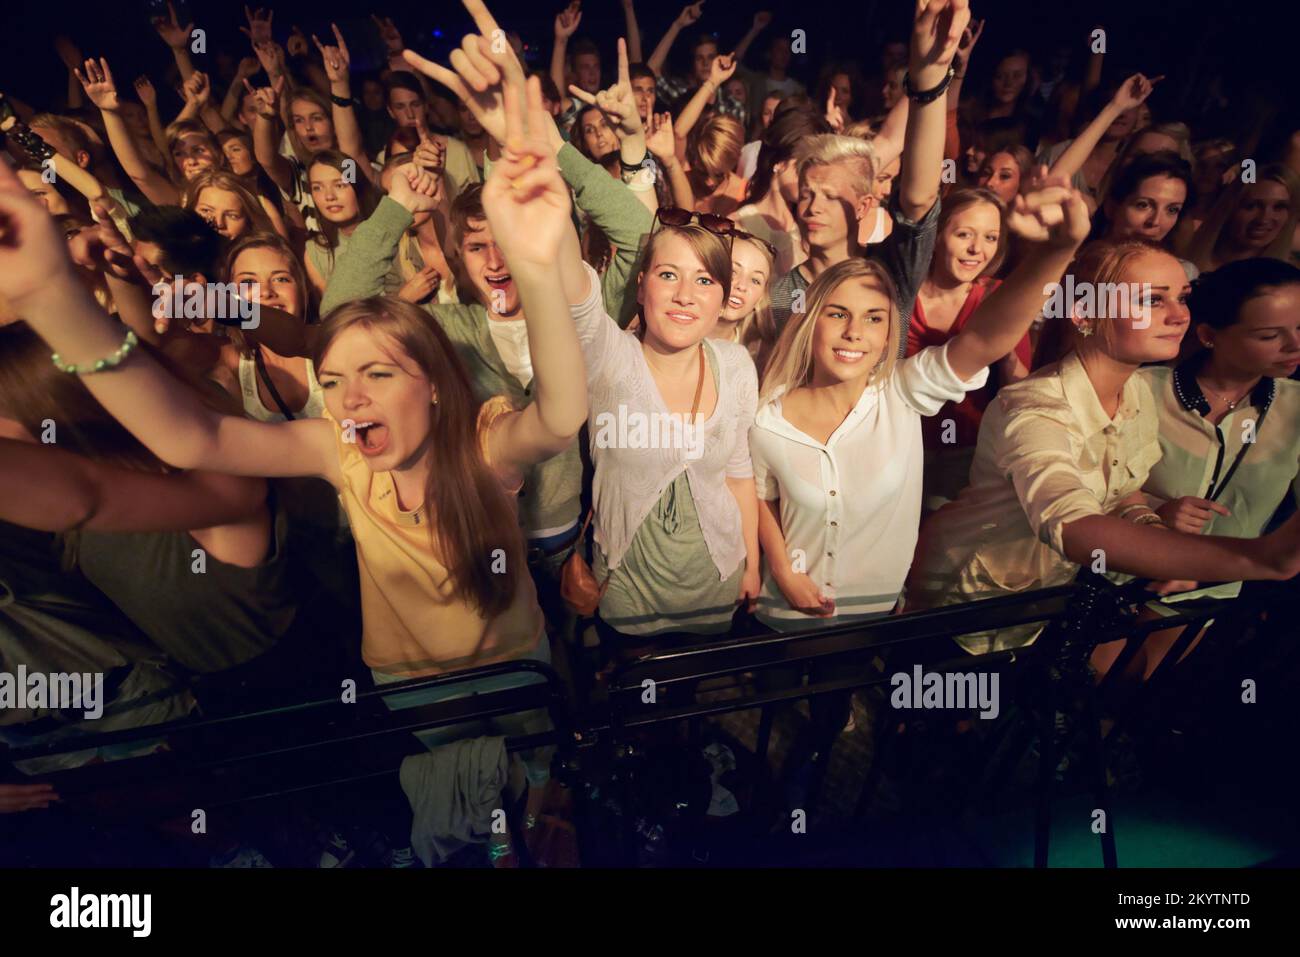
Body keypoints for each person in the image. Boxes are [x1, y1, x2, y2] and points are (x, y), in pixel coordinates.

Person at [0, 59, 588, 866]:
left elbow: (559, 413)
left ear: (436, 383)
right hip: (417, 691)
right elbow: (192, 442)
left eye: (377, 374)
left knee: (544, 801)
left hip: (519, 667)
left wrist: (536, 256)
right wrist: (51, 299)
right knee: (467, 820)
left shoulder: (481, 438)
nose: (348, 399)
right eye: (337, 381)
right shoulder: (335, 450)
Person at [906, 239, 1300, 654]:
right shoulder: (1035, 407)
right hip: (963, 604)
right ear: (1085, 313)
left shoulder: (1137, 391)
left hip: (1038, 601)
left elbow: (1121, 488)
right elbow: (1071, 525)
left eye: (1182, 297)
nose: (1179, 315)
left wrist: (1154, 535)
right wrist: (1258, 558)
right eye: (1151, 300)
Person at [752, 178, 1085, 633]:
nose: (855, 332)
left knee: (838, 703)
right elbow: (762, 495)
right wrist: (786, 573)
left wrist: (1056, 252)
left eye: (874, 318)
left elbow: (984, 339)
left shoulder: (901, 393)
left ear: (890, 333)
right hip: (781, 614)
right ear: (810, 322)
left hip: (869, 619)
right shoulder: (767, 414)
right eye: (837, 314)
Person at [909, 188, 1027, 509]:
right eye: (964, 235)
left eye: (991, 238)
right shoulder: (902, 293)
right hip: (898, 446)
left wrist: (1006, 345)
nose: (977, 249)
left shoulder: (998, 296)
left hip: (965, 454)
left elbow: (1020, 390)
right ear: (935, 236)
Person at [735, 106, 829, 277]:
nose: (811, 176)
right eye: (803, 165)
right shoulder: (739, 226)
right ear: (778, 162)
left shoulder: (810, 228)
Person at [1185, 163, 1300, 273]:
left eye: (1279, 207)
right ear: (1229, 208)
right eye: (1252, 206)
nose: (1264, 219)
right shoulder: (1184, 261)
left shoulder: (1289, 279)